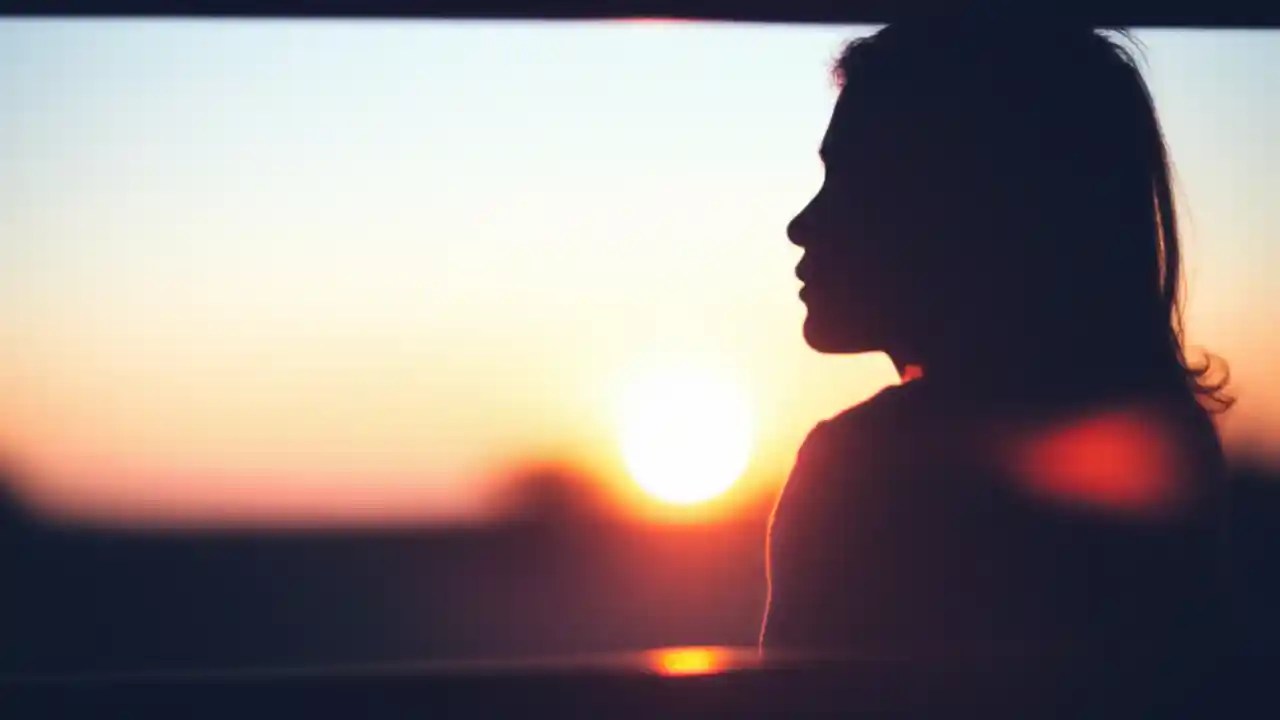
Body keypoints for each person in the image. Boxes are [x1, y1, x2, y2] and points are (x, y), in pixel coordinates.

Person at [761, 15, 1233, 676]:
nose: (801, 225)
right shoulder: (1171, 446)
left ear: (954, 208)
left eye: (853, 182)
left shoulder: (861, 469)